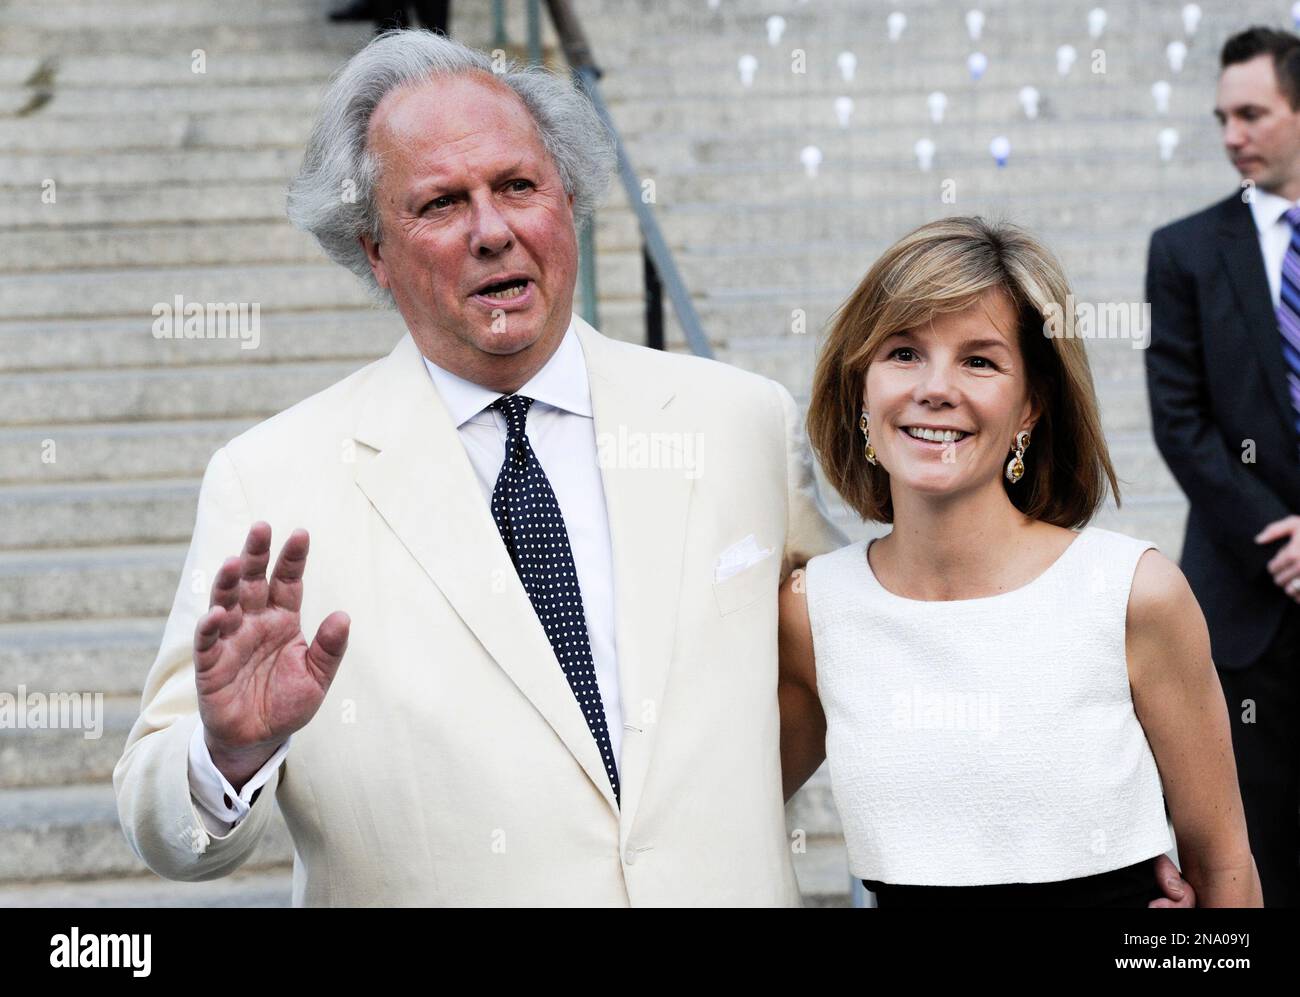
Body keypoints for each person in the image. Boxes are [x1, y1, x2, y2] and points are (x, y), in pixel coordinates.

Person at [112, 30, 847, 906]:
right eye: (440, 204)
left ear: (568, 199)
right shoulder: (268, 479)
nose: (493, 231)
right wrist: (228, 754)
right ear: (375, 251)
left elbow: (857, 644)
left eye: (517, 186)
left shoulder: (739, 421)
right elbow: (166, 822)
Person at [777, 217, 1258, 906]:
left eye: (980, 359)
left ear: (1031, 405)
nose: (935, 387)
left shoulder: (1132, 594)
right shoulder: (812, 609)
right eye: (904, 352)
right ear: (862, 389)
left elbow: (1226, 870)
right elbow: (713, 823)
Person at [1145, 25, 1300, 908]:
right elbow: (1180, 420)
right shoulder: (1186, 251)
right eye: (1221, 118)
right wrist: (1280, 542)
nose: (1232, 134)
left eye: (1252, 113)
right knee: (1251, 843)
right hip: (1244, 601)